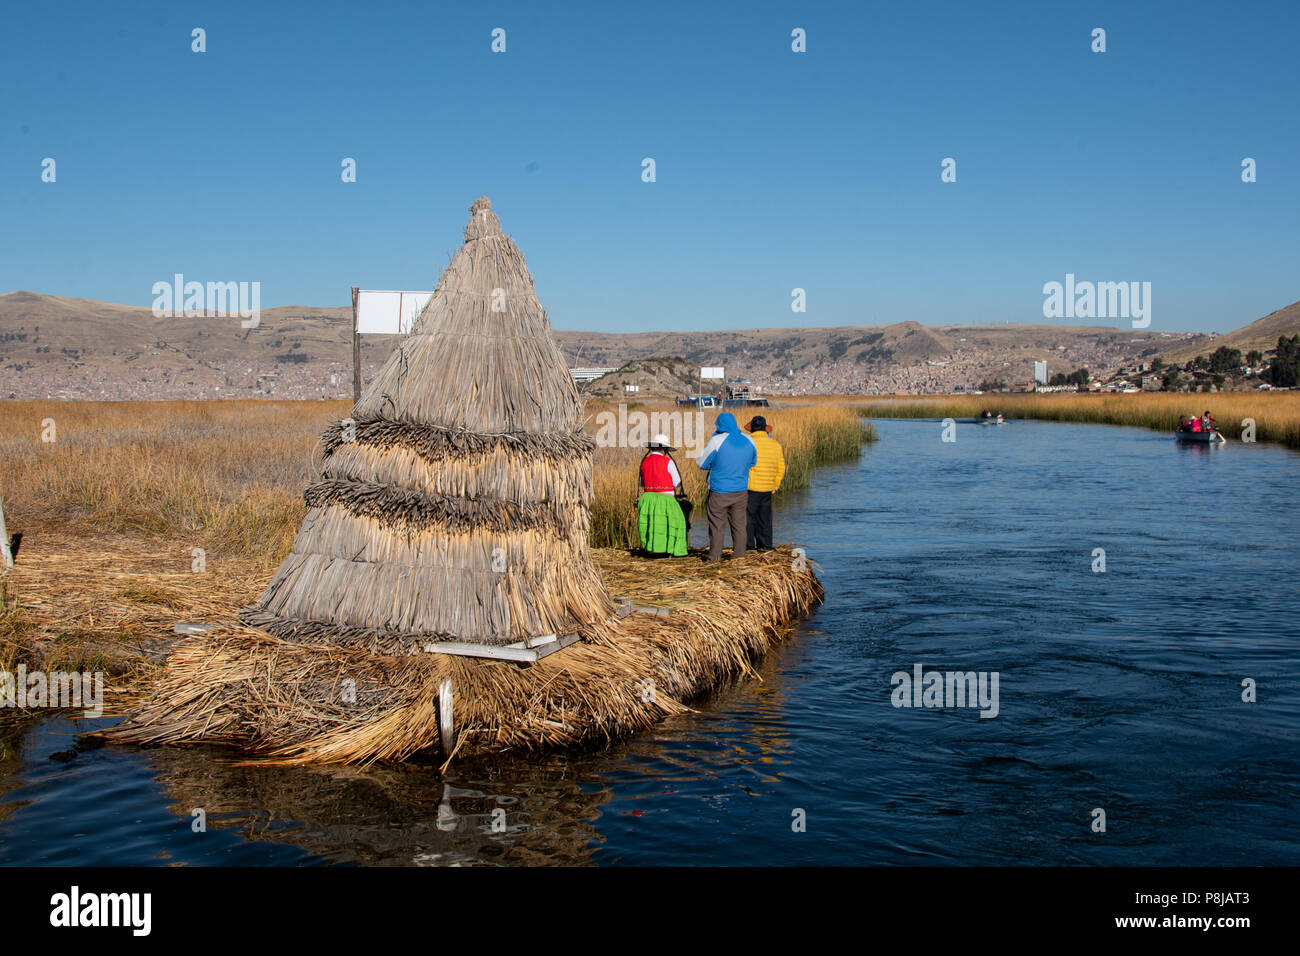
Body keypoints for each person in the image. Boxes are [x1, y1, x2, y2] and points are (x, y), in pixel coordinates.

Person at [697, 412, 757, 562]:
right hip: (741, 490)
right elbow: (753, 462)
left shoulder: (717, 440)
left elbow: (701, 463)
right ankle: (739, 558)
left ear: (719, 425)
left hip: (720, 491)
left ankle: (715, 558)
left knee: (717, 526)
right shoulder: (749, 440)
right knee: (739, 526)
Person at [637, 434, 688, 557]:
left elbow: (641, 483)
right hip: (665, 498)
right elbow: (677, 483)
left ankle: (652, 549)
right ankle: (669, 550)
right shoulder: (668, 461)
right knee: (675, 523)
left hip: (648, 498)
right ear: (664, 449)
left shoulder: (644, 462)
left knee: (652, 525)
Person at [744, 416, 785, 551]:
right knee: (765, 518)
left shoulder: (748, 443)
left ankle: (749, 546)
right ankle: (766, 546)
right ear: (764, 428)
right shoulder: (776, 445)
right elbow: (781, 468)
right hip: (768, 487)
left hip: (751, 486)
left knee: (749, 518)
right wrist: (775, 485)